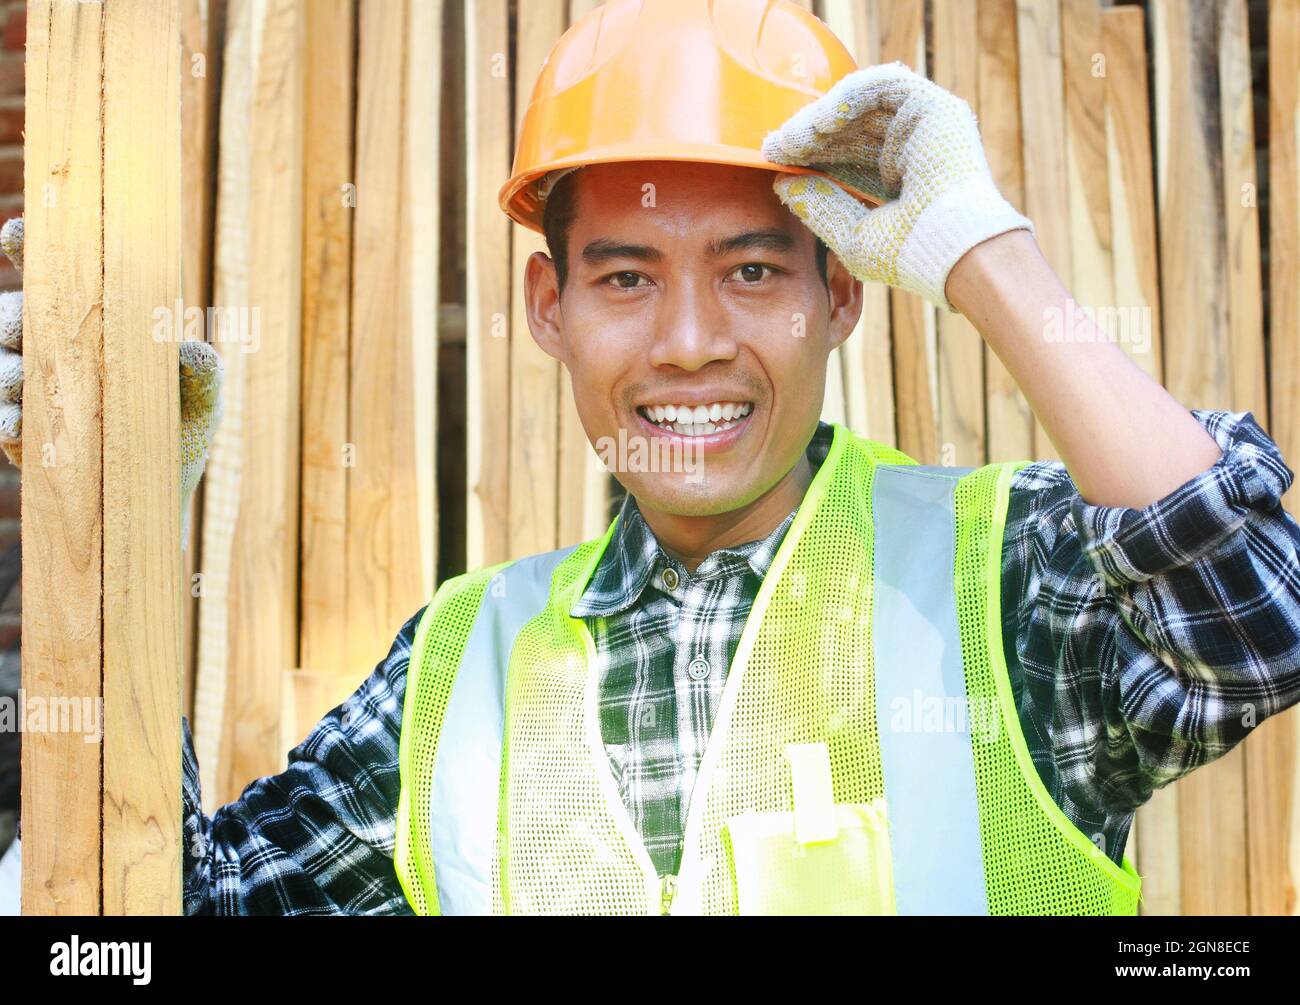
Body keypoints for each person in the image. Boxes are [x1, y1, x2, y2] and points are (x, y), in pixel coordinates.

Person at [7, 0, 1300, 914]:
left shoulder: (1013, 579)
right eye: (627, 276)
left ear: (846, 293)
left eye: (750, 270)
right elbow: (152, 918)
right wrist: (119, 527)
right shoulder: (459, 671)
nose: (690, 342)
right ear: (549, 307)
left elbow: (1256, 620)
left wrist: (982, 249)